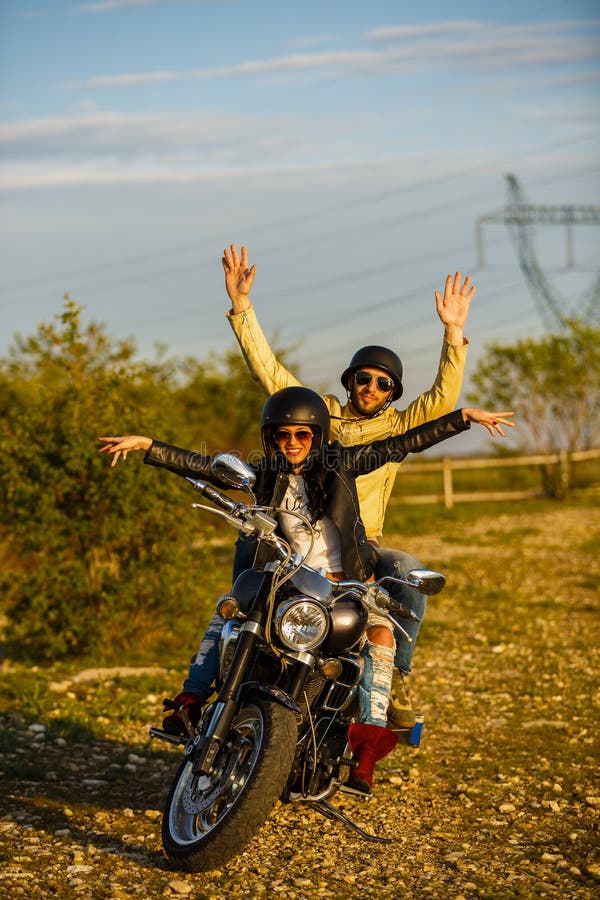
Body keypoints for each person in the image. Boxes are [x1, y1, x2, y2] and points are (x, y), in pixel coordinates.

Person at [99, 388, 514, 792]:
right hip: (290, 579)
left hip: (343, 582)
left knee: (381, 634)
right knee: (230, 607)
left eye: (302, 434)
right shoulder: (267, 477)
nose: (292, 443)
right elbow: (207, 466)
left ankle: (366, 747)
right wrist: (150, 446)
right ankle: (190, 700)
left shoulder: (341, 464)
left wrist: (461, 419)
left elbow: (400, 444)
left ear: (316, 435)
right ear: (271, 438)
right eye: (282, 435)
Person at [220, 243, 475, 728]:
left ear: (393, 393)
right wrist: (242, 307)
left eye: (384, 384)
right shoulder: (320, 415)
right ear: (350, 379)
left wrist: (454, 334)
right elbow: (270, 373)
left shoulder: (399, 426)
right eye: (364, 378)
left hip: (359, 542)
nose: (372, 388)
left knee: (407, 572)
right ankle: (220, 661)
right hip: (295, 534)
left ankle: (395, 676)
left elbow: (443, 399)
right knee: (245, 559)